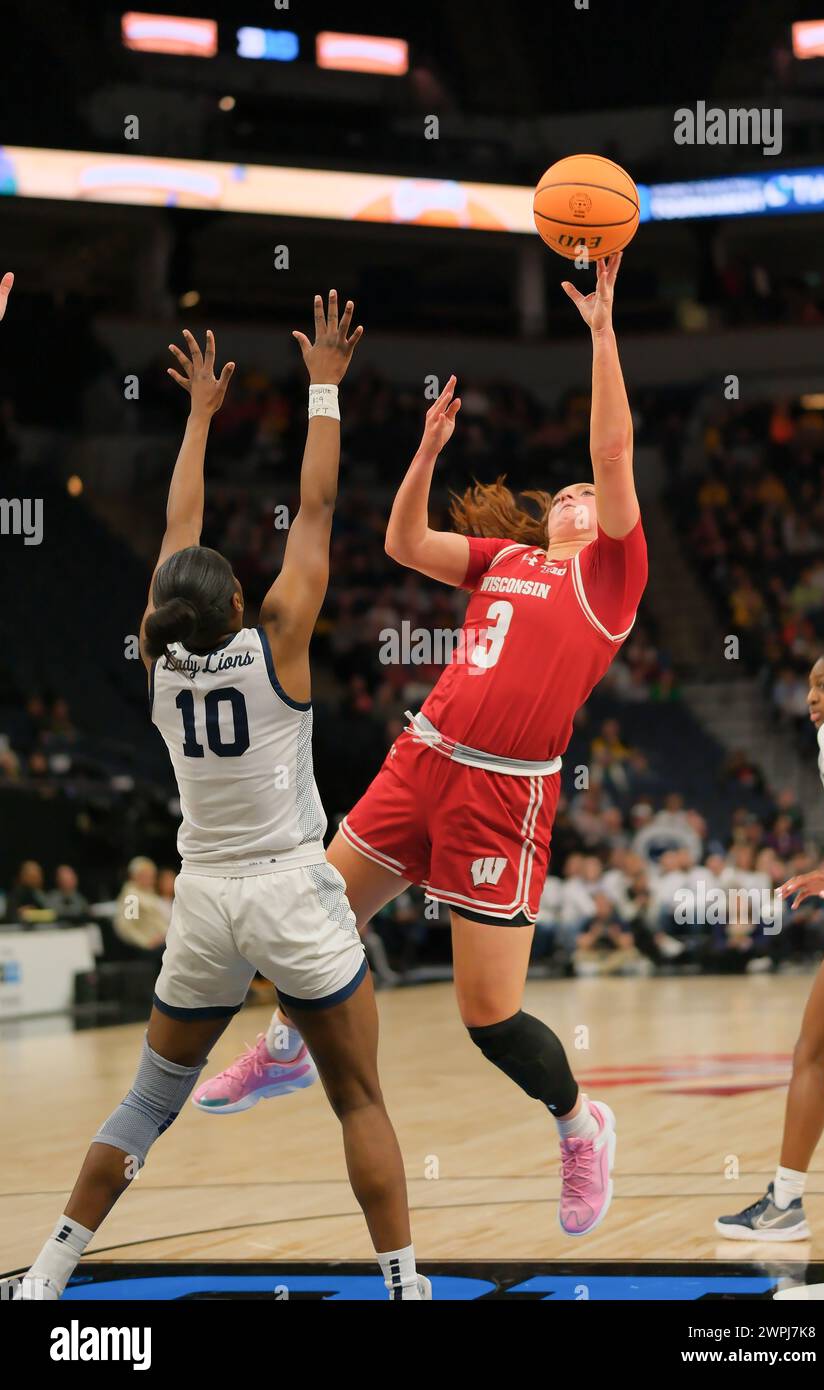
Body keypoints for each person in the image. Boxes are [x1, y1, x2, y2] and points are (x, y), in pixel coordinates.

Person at [196, 253, 648, 1237]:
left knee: (486, 1015)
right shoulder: (510, 558)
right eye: (562, 494)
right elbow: (403, 543)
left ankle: (579, 1125)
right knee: (310, 910)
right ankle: (285, 1045)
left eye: (586, 495)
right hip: (423, 756)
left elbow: (611, 456)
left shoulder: (608, 580)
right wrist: (427, 450)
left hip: (503, 793)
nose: (575, 497)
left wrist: (602, 331)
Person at [15, 295, 427, 1302]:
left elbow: (175, 528)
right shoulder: (279, 636)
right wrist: (321, 382)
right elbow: (318, 510)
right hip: (289, 885)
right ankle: (405, 1287)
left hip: (203, 897)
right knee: (357, 1095)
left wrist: (198, 415)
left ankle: (50, 1264)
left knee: (150, 1096)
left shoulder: (156, 661)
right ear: (239, 604)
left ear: (164, 614)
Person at [717, 649, 824, 1240]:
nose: (811, 698)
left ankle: (785, 1204)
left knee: (812, 1055)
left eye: (823, 685)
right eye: (809, 687)